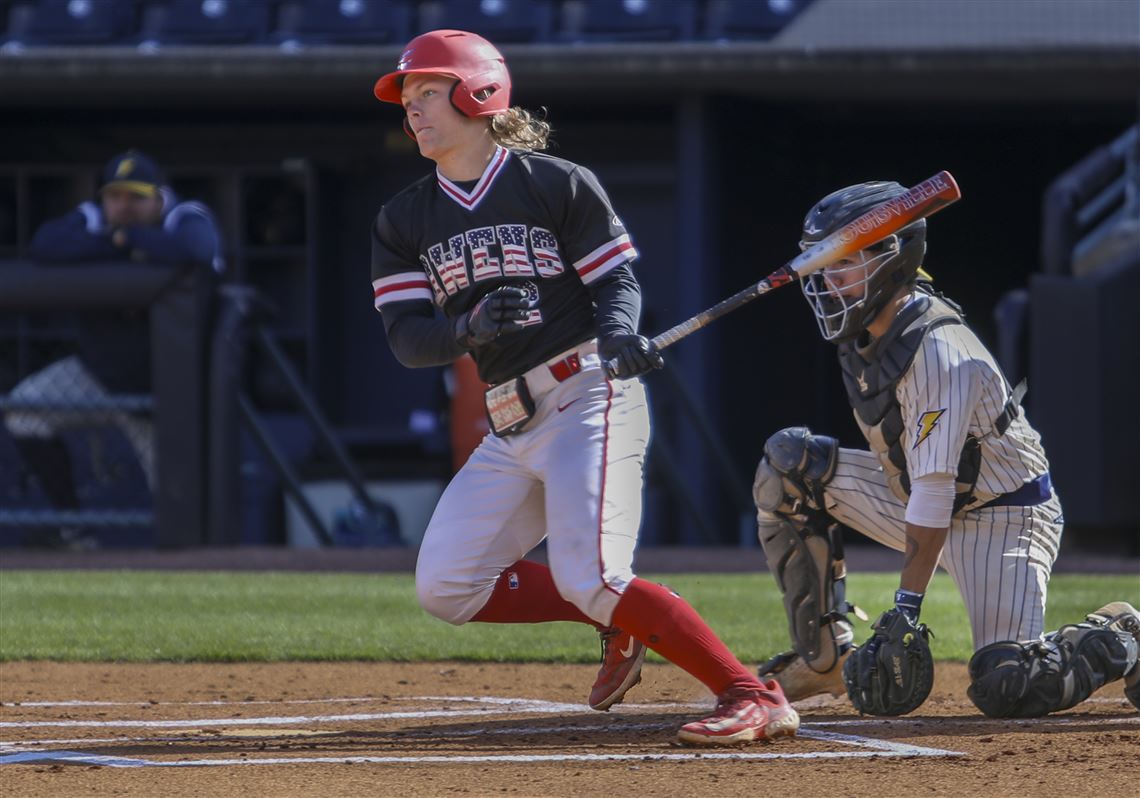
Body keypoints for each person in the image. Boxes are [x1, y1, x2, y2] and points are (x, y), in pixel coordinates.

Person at [369, 29, 799, 745]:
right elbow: (407, 339)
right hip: (510, 421)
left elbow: (616, 282)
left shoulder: (554, 182)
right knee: (445, 587)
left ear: (478, 92)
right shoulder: (403, 216)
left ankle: (752, 693)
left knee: (592, 575)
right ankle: (629, 615)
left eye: (425, 92)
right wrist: (468, 328)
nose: (411, 109)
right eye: (406, 98)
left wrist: (623, 329)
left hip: (586, 396)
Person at [751, 180, 1140, 717]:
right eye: (821, 263)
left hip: (1001, 515)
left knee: (1009, 686)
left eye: (842, 262)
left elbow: (936, 495)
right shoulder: (867, 326)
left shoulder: (938, 351)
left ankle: (1122, 634)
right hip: (916, 496)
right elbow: (922, 489)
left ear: (890, 257)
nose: (827, 278)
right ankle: (823, 660)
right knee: (788, 467)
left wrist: (906, 608)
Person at [6, 149, 223, 546]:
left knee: (180, 505)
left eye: (136, 198)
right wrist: (124, 244)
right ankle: (74, 527)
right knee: (24, 411)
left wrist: (125, 238)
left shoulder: (184, 215)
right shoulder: (93, 218)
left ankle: (192, 568)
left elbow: (197, 249)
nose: (123, 207)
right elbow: (45, 245)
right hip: (97, 376)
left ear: (159, 198)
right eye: (115, 196)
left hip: (167, 394)